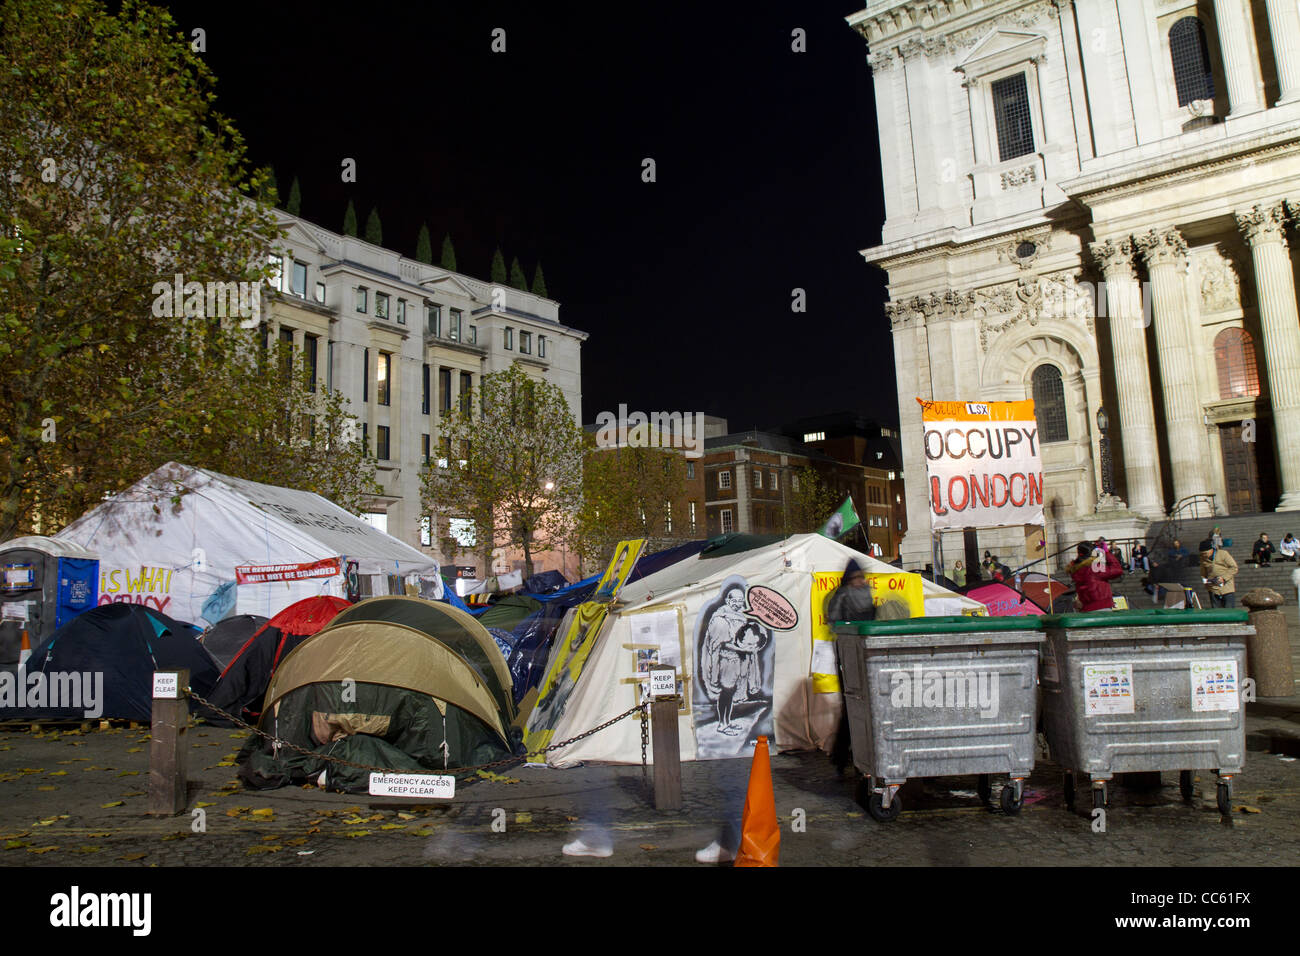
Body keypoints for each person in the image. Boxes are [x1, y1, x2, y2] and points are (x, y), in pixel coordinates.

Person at [826, 560, 875, 777]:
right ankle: (842, 758)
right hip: (849, 657)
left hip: (865, 657)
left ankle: (857, 757)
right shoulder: (842, 596)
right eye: (856, 578)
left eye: (861, 577)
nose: (860, 581)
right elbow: (835, 622)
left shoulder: (866, 594)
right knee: (850, 710)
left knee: (862, 710)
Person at [1066, 541, 1122, 611]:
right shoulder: (1094, 569)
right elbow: (1117, 570)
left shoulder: (1076, 569)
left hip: (1086, 608)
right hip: (1101, 606)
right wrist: (1106, 552)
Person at [1200, 537, 1239, 608]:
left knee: (1229, 612)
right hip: (1213, 589)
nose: (1204, 555)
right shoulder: (1203, 559)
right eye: (1202, 554)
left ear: (1211, 550)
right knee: (1217, 613)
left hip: (1227, 588)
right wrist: (1207, 583)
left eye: (1205, 553)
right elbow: (1203, 574)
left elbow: (1234, 567)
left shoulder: (1223, 554)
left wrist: (1223, 578)